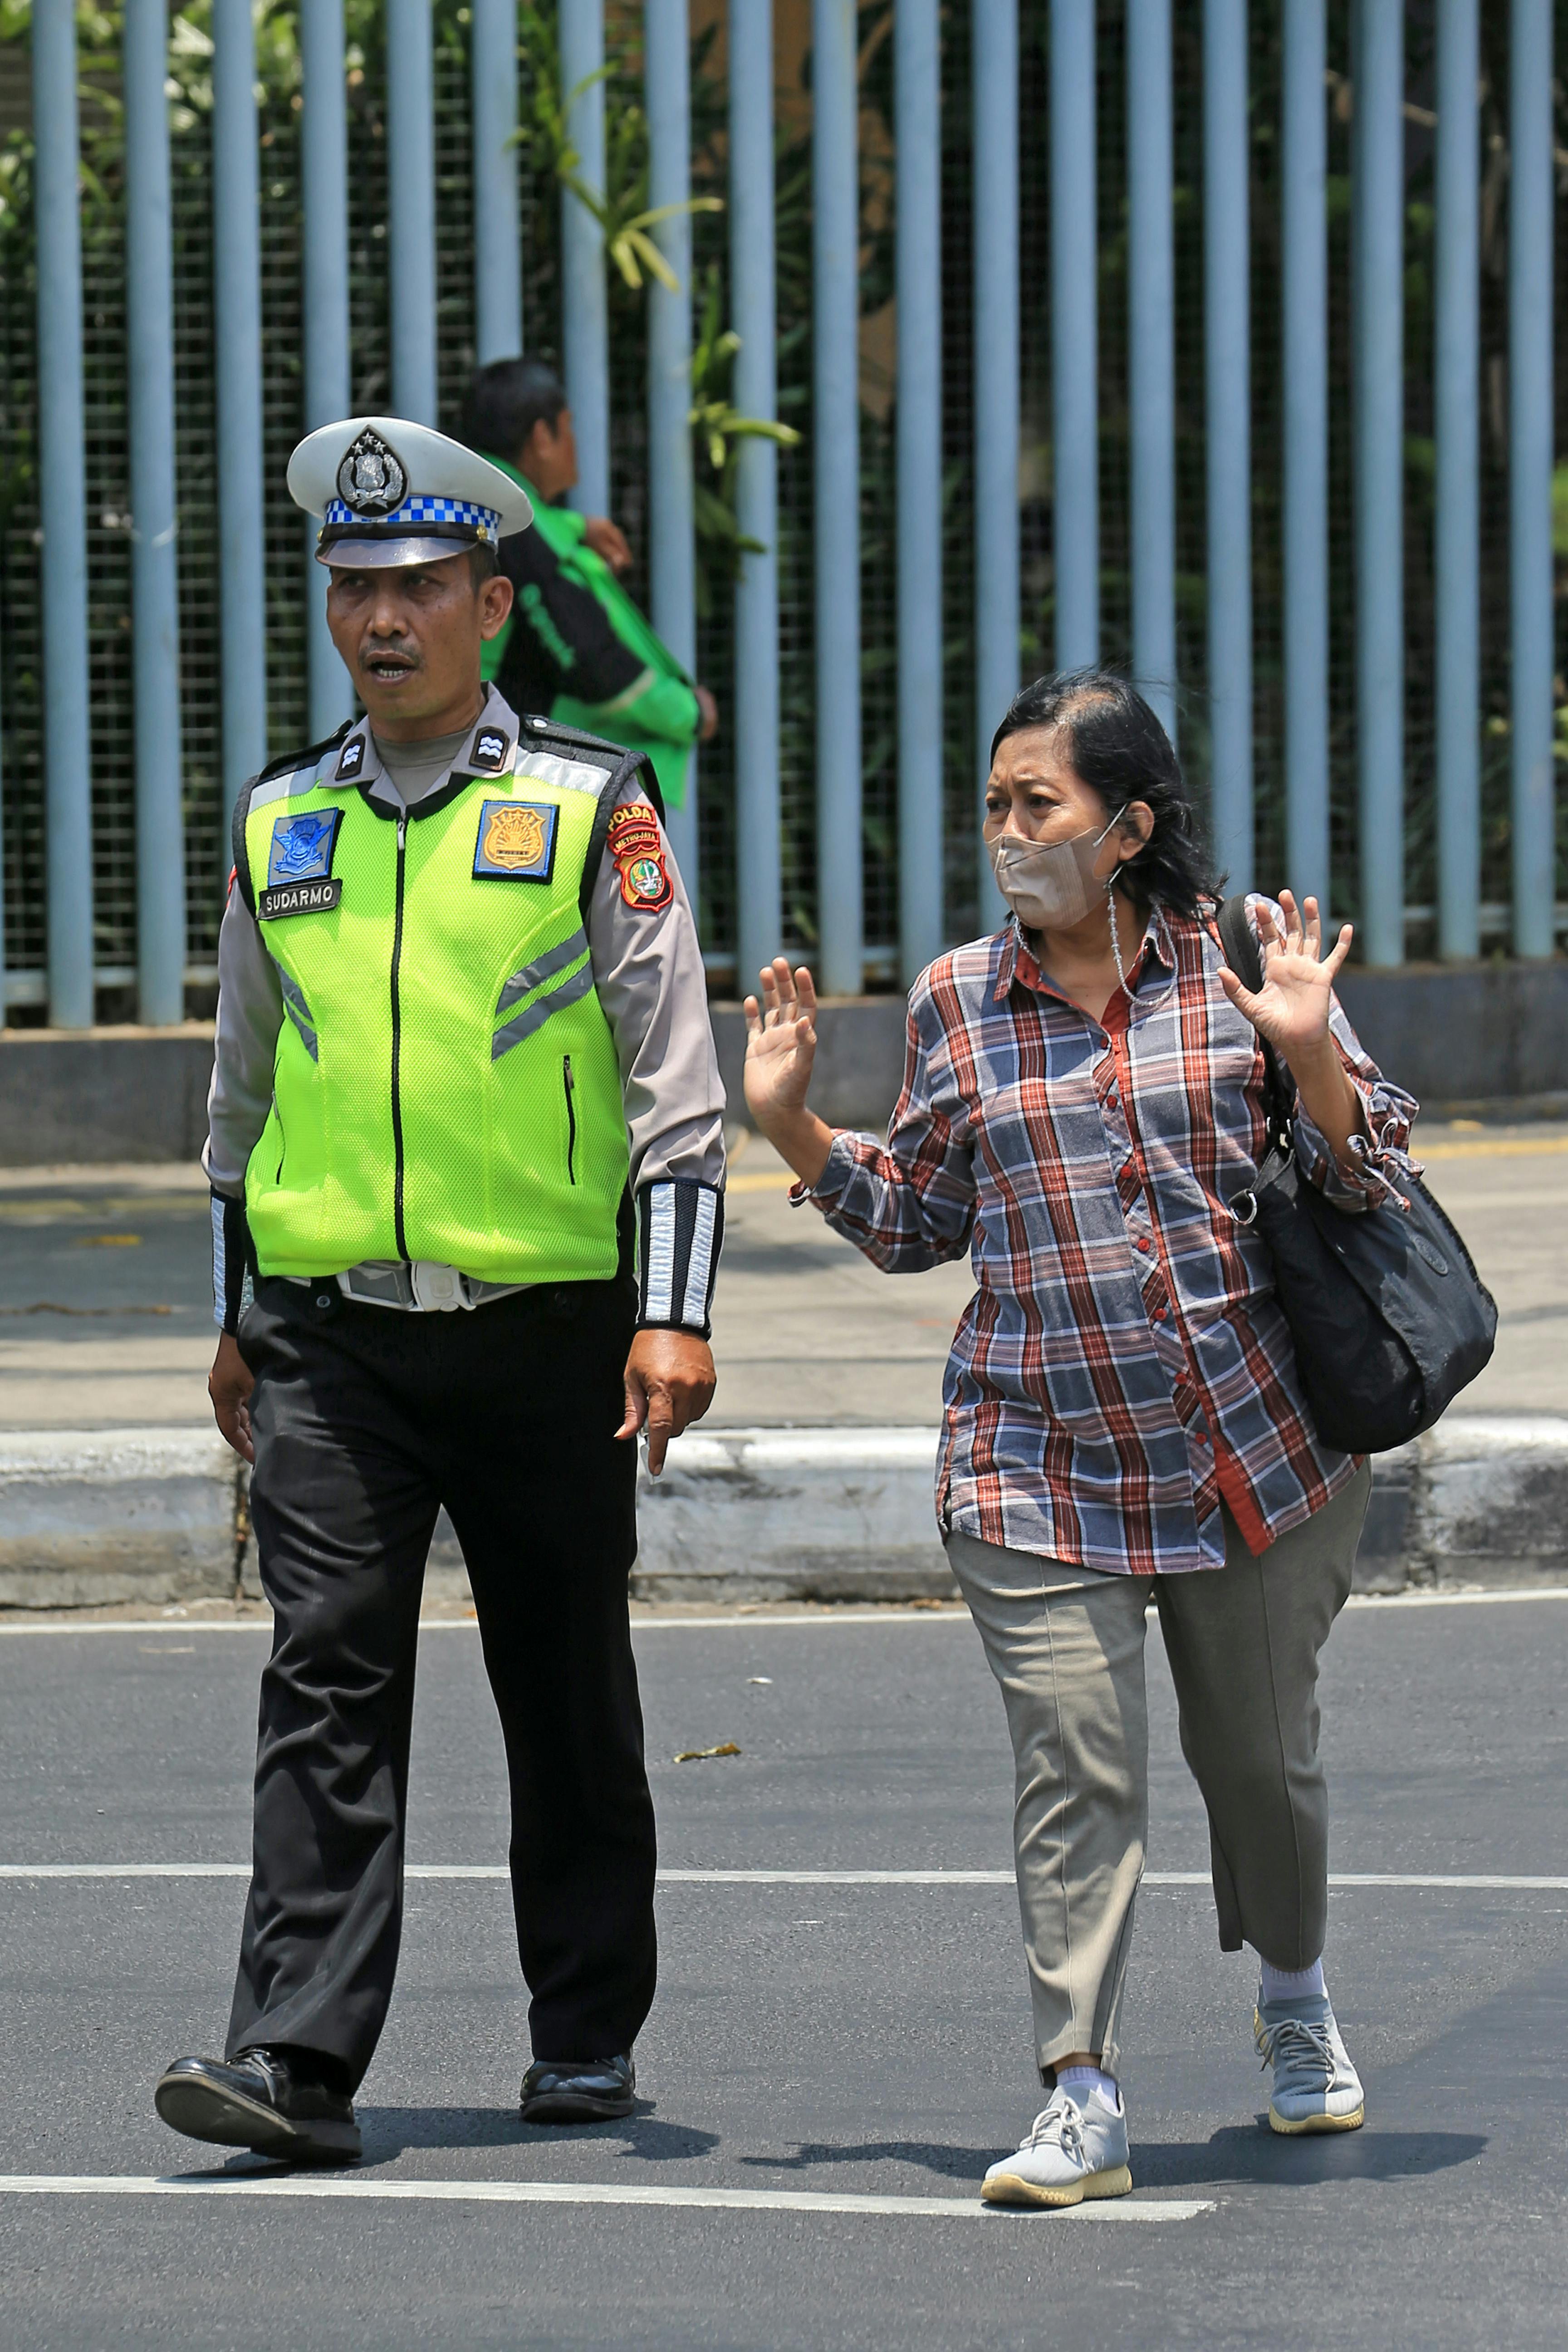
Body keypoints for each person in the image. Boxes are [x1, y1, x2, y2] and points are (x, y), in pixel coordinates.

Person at [742, 670, 1419, 2210]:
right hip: (1031, 1458)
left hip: (1255, 1453)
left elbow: (1371, 1171)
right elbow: (919, 1215)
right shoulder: (955, 998)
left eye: (1034, 803)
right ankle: (1079, 2090)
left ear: (1126, 827)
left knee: (1257, 1768)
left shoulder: (1243, 967)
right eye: (991, 804)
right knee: (1075, 1765)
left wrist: (1306, 1048)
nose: (1005, 833)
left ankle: (1295, 2002)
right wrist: (790, 1125)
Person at [153, 415, 725, 2165]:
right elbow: (245, 1099)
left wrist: (674, 1306)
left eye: (415, 589)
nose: (379, 621)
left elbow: (674, 1083)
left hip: (551, 1329)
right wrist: (238, 1311)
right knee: (324, 1672)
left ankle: (581, 2029)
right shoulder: (283, 819)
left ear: (490, 602)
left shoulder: (585, 810)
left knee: (563, 1683)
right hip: (334, 1340)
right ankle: (295, 2059)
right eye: (353, 591)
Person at [460, 357, 718, 816]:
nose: (576, 443)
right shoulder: (521, 539)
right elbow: (590, 660)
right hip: (520, 782)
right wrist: (689, 713)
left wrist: (575, 527)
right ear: (543, 438)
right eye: (569, 428)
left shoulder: (484, 514)